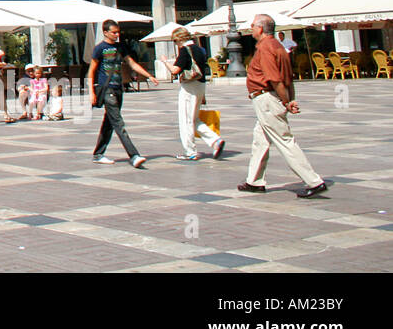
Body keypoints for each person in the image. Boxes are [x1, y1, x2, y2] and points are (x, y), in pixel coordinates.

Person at [238, 14, 326, 198]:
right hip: (269, 100)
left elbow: (275, 79)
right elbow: (288, 78)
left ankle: (313, 181)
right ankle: (254, 181)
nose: (251, 28)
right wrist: (290, 99)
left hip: (266, 100)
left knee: (285, 140)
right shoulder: (278, 46)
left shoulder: (266, 48)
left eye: (253, 25)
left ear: (260, 29)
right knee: (260, 140)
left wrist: (286, 102)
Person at [89, 19, 157, 168]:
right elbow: (91, 71)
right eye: (114, 32)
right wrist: (91, 93)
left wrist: (149, 75)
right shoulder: (99, 48)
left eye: (118, 32)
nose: (117, 34)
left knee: (110, 121)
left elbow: (131, 63)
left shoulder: (121, 47)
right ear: (105, 32)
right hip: (106, 89)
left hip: (119, 88)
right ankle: (134, 155)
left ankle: (98, 154)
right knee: (118, 123)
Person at [163, 27, 226, 161]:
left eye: (175, 41)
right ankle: (215, 141)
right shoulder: (199, 49)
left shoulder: (185, 50)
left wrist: (165, 62)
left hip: (189, 87)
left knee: (186, 120)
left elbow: (175, 70)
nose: (175, 44)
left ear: (179, 39)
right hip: (201, 85)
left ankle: (190, 151)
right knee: (194, 118)